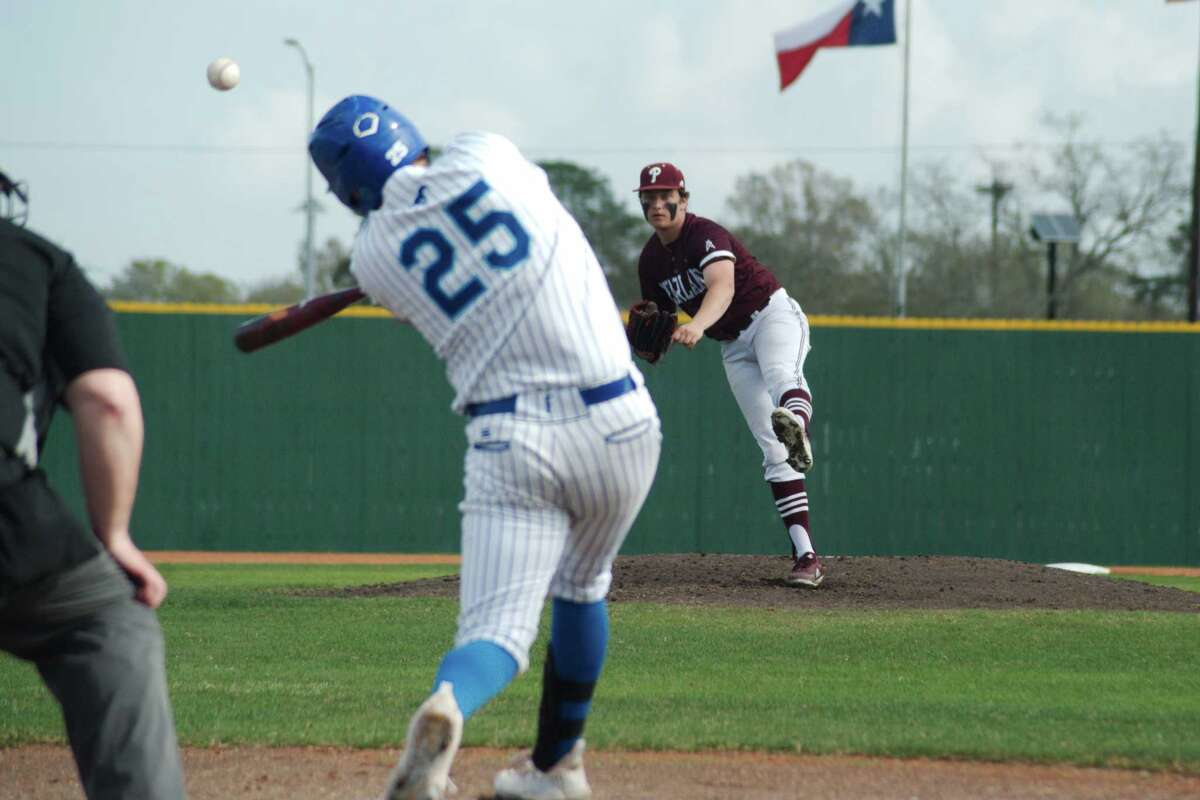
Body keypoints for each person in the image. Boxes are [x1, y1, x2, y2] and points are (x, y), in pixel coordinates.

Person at [306, 96, 662, 800]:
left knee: (497, 632)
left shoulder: (373, 258)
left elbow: (410, 235)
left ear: (348, 193)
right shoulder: (486, 152)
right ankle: (557, 768)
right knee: (583, 586)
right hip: (619, 421)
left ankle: (449, 703)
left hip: (512, 440)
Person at [0, 170, 186, 799]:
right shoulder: (35, 261)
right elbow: (108, 401)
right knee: (111, 624)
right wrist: (114, 536)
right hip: (12, 529)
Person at [632, 162, 824, 588]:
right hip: (733, 346)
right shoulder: (650, 260)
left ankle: (798, 425)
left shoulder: (705, 235)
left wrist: (696, 325)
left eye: (667, 196)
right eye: (649, 196)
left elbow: (722, 288)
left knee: (781, 374)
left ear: (684, 200)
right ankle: (806, 556)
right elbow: (658, 318)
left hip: (770, 314)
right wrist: (652, 335)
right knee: (773, 449)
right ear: (642, 202)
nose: (657, 203)